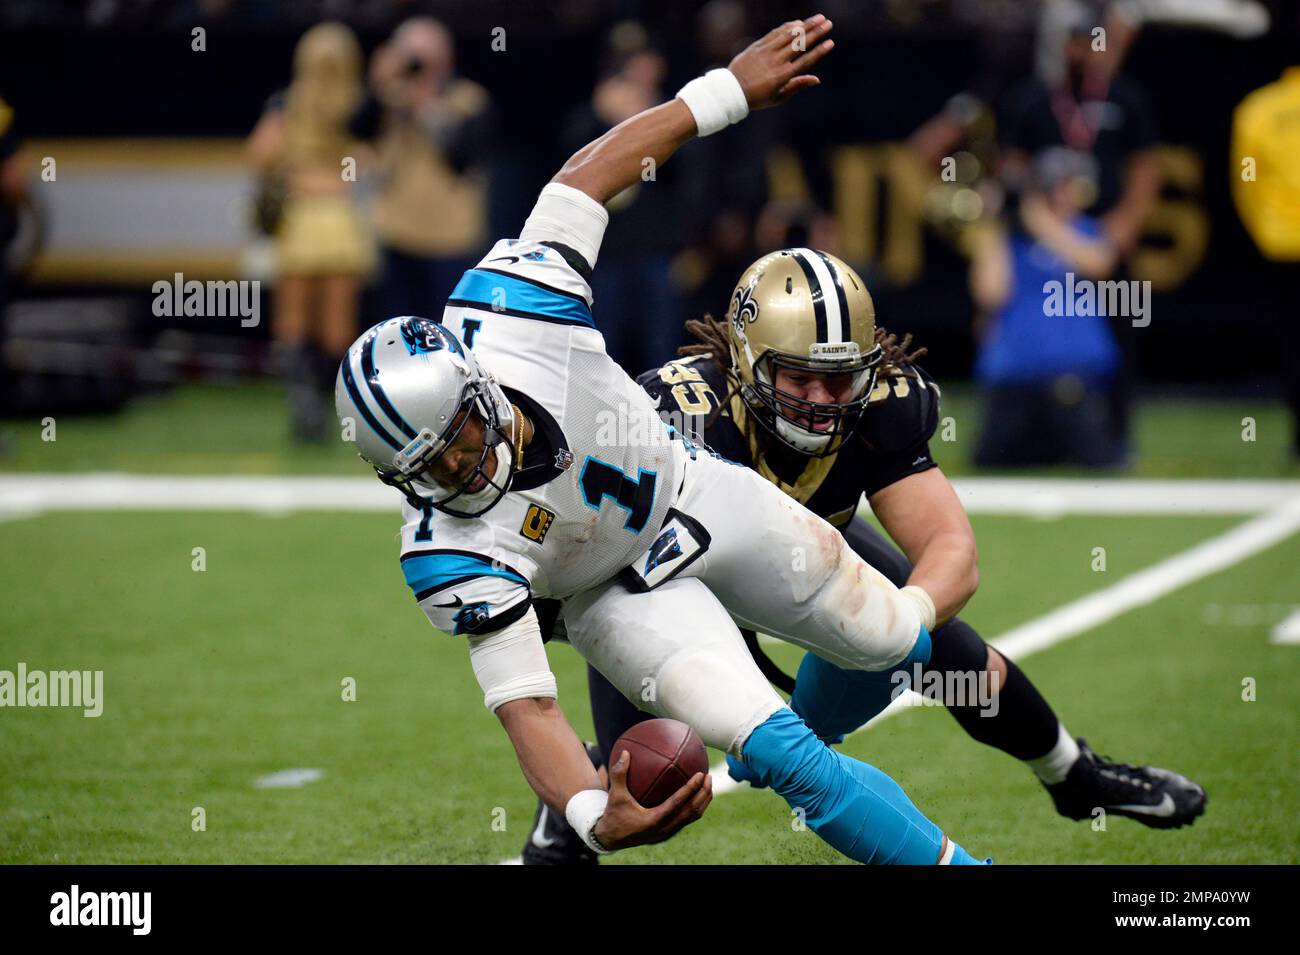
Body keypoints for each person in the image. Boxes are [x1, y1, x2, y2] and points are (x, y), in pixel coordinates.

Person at [338, 14, 988, 865]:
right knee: (794, 760)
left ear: (475, 381)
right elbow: (527, 705)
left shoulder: (513, 312)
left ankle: (775, 731)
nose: (463, 468)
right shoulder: (444, 550)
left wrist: (722, 94)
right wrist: (583, 809)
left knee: (900, 640)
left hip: (693, 490)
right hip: (618, 598)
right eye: (432, 469)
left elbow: (584, 177)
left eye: (459, 437)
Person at [523, 254, 1205, 864]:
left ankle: (1077, 776)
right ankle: (569, 807)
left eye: (840, 378)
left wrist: (900, 624)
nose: (823, 400)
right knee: (658, 771)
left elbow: (951, 551)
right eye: (799, 377)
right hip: (672, 574)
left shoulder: (882, 401)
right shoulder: (675, 413)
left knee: (954, 655)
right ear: (742, 358)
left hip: (806, 551)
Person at [247, 22, 375, 442]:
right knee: (330, 325)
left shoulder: (299, 103)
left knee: (298, 320)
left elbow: (261, 153)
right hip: (332, 218)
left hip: (308, 218)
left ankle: (311, 408)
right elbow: (367, 165)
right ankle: (330, 408)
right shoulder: (353, 106)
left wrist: (301, 175)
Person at [969, 147, 1125, 468]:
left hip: (1073, 377)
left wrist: (1040, 220)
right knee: (989, 461)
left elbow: (1098, 263)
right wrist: (991, 225)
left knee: (1101, 462)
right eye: (1064, 186)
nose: (1073, 195)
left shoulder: (1085, 230)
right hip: (1014, 376)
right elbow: (990, 293)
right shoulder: (1006, 238)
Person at [351, 17, 494, 321]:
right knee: (395, 325)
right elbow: (356, 128)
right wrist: (378, 85)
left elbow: (462, 157)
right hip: (396, 231)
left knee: (445, 326)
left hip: (450, 239)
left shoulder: (468, 99)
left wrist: (426, 108)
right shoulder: (389, 97)